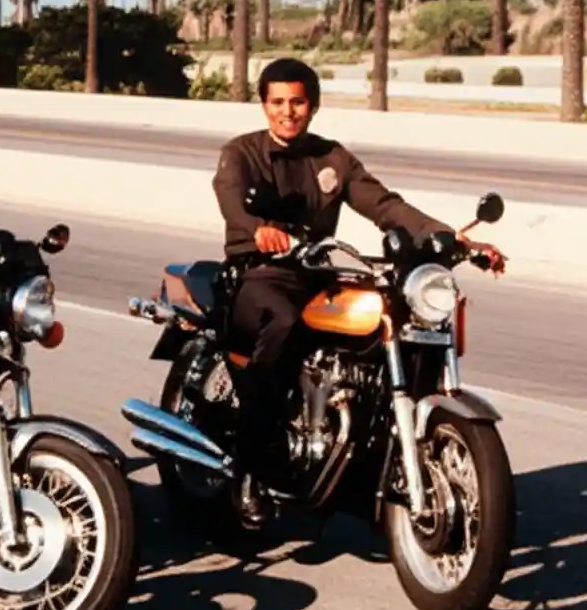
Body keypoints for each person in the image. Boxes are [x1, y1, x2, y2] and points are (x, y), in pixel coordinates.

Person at [211, 58, 505, 527]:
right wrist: (257, 228)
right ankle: (249, 469)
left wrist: (454, 240)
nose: (287, 112)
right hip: (259, 271)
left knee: (386, 313)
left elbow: (384, 205)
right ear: (264, 105)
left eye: (297, 102)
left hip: (314, 271)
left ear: (313, 105)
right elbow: (230, 198)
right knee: (285, 323)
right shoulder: (241, 152)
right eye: (277, 102)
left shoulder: (332, 158)